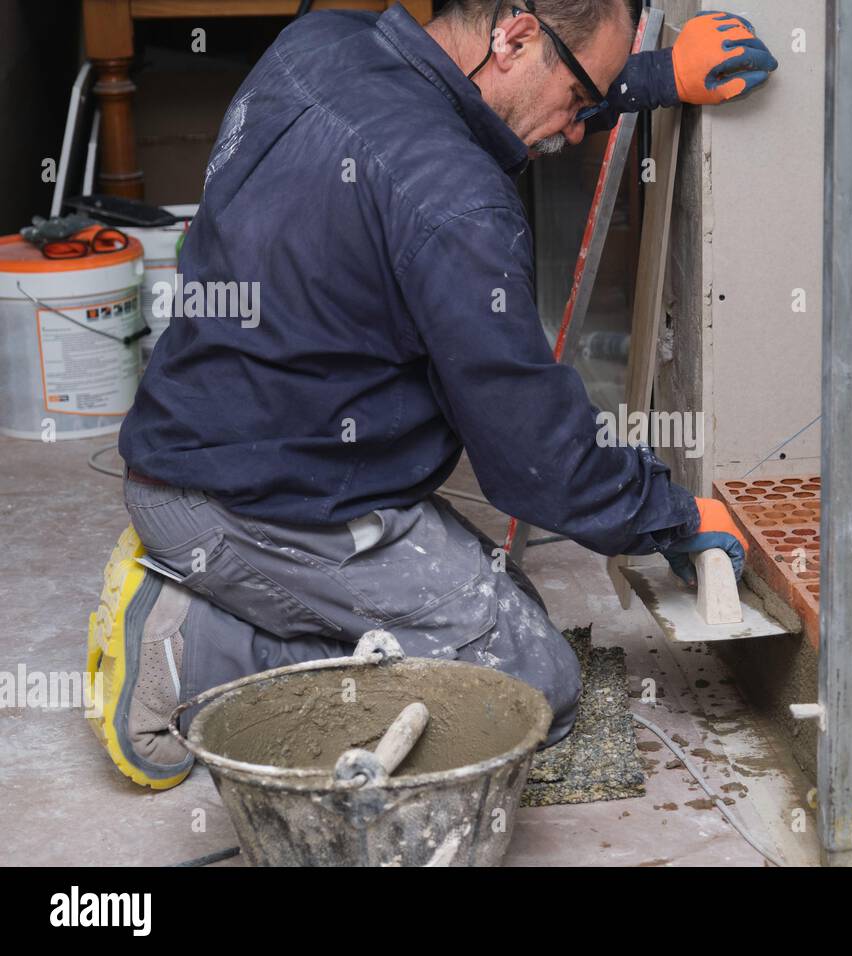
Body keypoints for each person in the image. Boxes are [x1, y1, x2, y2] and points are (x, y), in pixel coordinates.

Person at [87, 0, 777, 789]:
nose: (578, 130)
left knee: (503, 596)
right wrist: (672, 518)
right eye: (584, 100)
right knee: (526, 687)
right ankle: (195, 648)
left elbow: (463, 109)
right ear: (514, 35)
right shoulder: (453, 201)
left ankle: (226, 594)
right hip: (252, 502)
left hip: (201, 440)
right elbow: (535, 459)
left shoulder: (320, 41)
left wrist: (646, 79)